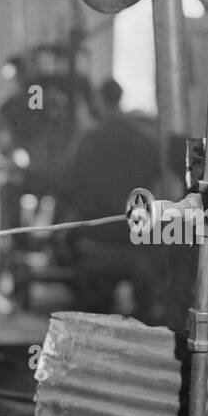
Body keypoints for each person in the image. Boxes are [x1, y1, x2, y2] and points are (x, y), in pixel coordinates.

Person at [56, 78, 172, 322]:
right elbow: (162, 186)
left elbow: (66, 188)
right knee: (144, 324)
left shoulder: (88, 140)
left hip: (96, 245)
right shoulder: (144, 140)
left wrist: (60, 234)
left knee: (92, 322)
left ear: (99, 101)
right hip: (138, 244)